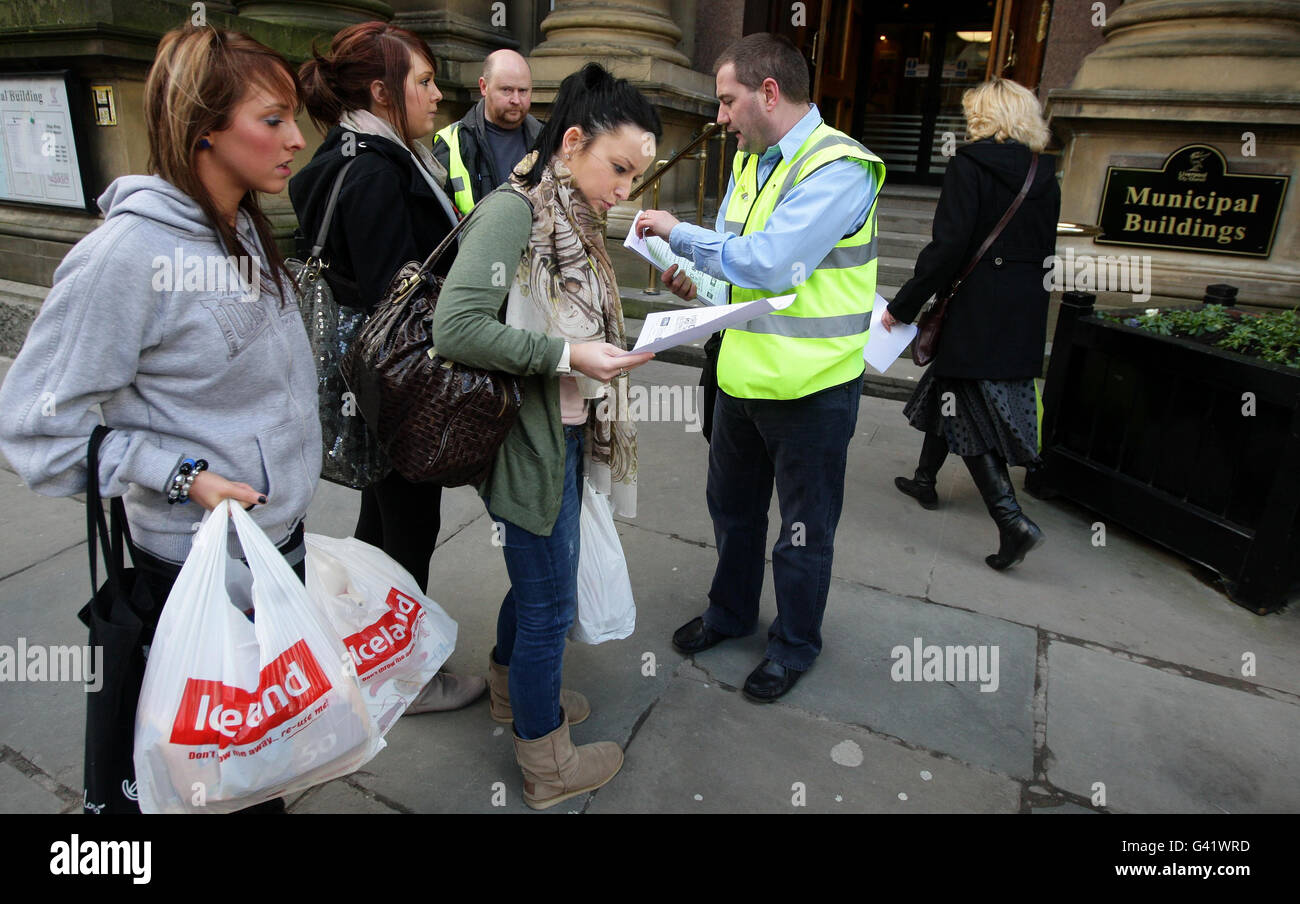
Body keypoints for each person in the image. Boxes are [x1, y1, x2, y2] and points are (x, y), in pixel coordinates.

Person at [0, 25, 315, 813]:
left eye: (293, 117)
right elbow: (35, 427)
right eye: (271, 119)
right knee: (204, 776)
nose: (297, 139)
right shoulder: (126, 256)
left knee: (257, 759)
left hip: (271, 551)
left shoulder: (243, 222)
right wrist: (183, 477)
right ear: (202, 127)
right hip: (194, 569)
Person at [432, 63, 658, 809]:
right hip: (525, 444)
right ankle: (546, 761)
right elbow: (456, 327)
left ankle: (509, 693)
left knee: (536, 588)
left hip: (560, 432)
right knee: (549, 607)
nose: (625, 191)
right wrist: (569, 356)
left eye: (636, 177)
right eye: (619, 169)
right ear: (571, 141)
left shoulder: (573, 215)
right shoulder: (516, 212)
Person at [638, 33, 885, 703]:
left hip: (812, 389)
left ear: (769, 93)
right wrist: (696, 281)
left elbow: (773, 261)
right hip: (741, 374)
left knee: (803, 532)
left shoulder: (840, 166)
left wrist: (677, 234)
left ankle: (794, 644)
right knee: (733, 513)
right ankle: (730, 613)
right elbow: (740, 272)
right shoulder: (754, 160)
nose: (720, 117)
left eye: (726, 101)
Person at [290, 21, 485, 713]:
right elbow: (392, 296)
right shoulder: (374, 166)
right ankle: (408, 674)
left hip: (366, 376)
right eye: (423, 82)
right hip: (399, 380)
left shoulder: (345, 155)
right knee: (407, 524)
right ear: (381, 90)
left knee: (383, 515)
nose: (438, 94)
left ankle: (362, 646)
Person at [881, 77, 1059, 571]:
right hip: (1020, 310)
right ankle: (924, 478)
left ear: (984, 115)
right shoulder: (1044, 174)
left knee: (967, 412)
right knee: (950, 388)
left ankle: (1012, 521)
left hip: (976, 307)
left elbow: (947, 249)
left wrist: (904, 305)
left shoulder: (969, 165)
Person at [432, 49, 542, 215]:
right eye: (506, 90)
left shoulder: (547, 139)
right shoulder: (453, 142)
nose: (516, 100)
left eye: (523, 91)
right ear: (484, 87)